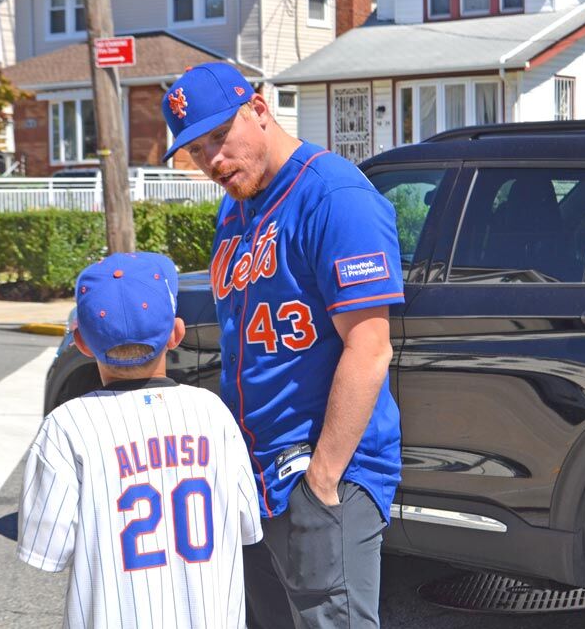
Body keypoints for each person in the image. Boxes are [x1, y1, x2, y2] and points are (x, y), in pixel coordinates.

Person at [160, 63, 404, 628]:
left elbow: (369, 348)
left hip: (322, 472)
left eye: (220, 137)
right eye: (197, 150)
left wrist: (322, 482)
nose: (213, 160)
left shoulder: (335, 195)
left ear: (260, 109)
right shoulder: (237, 202)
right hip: (253, 473)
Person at [17, 251, 263, 629]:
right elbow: (247, 523)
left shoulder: (67, 426)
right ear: (176, 334)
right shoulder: (212, 413)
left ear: (81, 342)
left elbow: (47, 547)